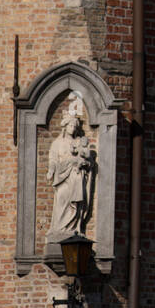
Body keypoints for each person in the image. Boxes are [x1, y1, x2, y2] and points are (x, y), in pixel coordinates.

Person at [47, 102, 95, 239]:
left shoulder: (79, 142)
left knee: (77, 203)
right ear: (65, 126)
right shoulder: (57, 143)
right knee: (62, 200)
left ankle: (74, 227)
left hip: (76, 176)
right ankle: (60, 228)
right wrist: (51, 171)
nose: (73, 128)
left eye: (75, 126)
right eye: (70, 125)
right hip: (63, 178)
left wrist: (84, 163)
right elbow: (53, 159)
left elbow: (87, 159)